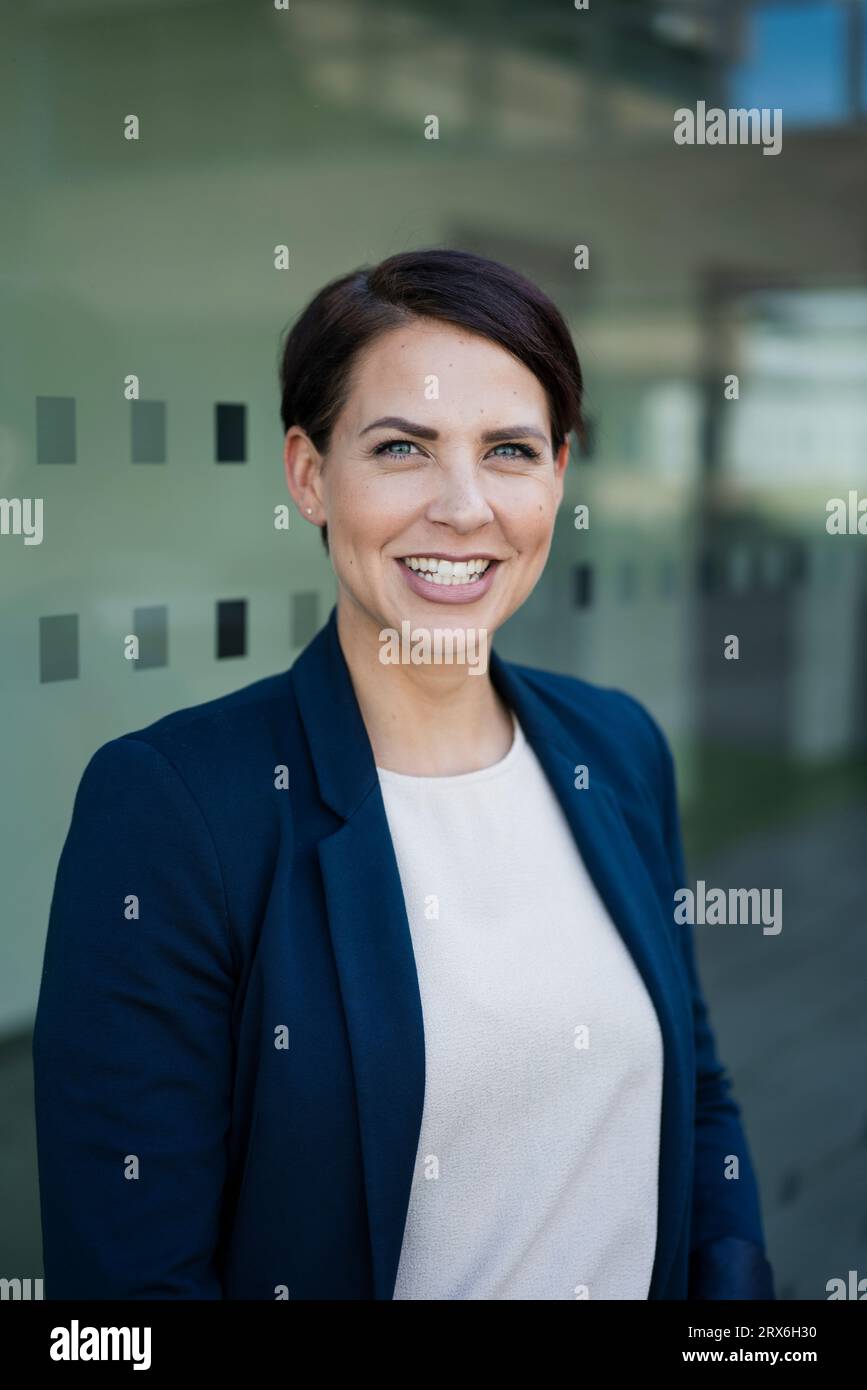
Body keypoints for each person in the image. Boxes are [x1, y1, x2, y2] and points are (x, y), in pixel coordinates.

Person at [32, 247, 775, 1300]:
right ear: (308, 473)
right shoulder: (172, 808)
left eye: (510, 449)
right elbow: (126, 1293)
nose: (464, 507)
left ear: (558, 473)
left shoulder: (617, 748)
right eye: (402, 448)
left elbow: (698, 1091)